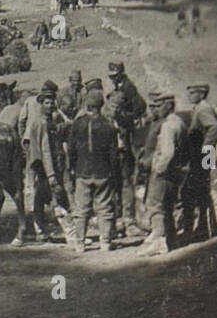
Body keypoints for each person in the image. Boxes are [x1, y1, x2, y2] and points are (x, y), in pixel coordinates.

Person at [140, 91, 191, 256]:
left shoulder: (168, 125)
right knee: (167, 205)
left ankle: (159, 242)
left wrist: (158, 170)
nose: (157, 109)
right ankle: (171, 237)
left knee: (155, 205)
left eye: (160, 105)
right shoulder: (179, 122)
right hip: (176, 171)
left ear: (169, 105)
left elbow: (168, 153)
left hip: (165, 172)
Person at [14, 81, 66, 246]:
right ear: (42, 102)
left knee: (39, 193)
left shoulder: (42, 112)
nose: (50, 105)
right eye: (47, 102)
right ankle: (42, 229)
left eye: (52, 102)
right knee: (42, 192)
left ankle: (41, 230)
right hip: (40, 158)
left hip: (37, 153)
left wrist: (24, 138)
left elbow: (22, 122)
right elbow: (46, 149)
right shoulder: (44, 120)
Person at [67, 89, 119, 252]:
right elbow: (113, 154)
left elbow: (71, 150)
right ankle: (105, 242)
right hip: (102, 172)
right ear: (101, 105)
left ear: (87, 104)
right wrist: (112, 171)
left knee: (81, 209)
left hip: (82, 171)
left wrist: (73, 168)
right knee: (104, 208)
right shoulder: (108, 126)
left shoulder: (78, 124)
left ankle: (80, 243)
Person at [104, 61, 147, 237]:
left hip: (124, 151)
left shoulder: (128, 88)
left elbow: (139, 108)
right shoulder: (107, 120)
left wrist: (209, 160)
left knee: (126, 183)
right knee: (117, 184)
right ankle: (118, 220)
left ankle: (127, 220)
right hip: (116, 153)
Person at [181, 83, 217, 239]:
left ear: (201, 93)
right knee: (202, 188)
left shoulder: (203, 109)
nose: (189, 95)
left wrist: (206, 147)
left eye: (192, 93)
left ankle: (205, 228)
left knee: (200, 188)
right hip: (206, 153)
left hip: (203, 154)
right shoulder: (201, 107)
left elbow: (215, 127)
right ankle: (206, 226)